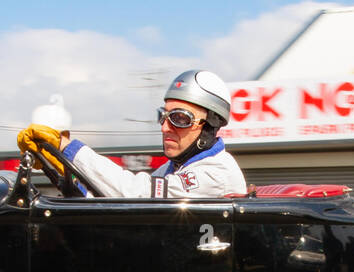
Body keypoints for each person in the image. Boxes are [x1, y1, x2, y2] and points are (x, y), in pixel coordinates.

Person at [16, 69, 247, 198]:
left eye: (179, 118)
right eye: (163, 116)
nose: (165, 127)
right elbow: (114, 196)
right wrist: (64, 169)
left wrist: (69, 148)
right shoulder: (175, 168)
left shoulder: (216, 173)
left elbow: (137, 192)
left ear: (209, 125)